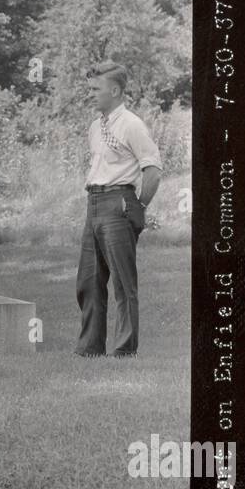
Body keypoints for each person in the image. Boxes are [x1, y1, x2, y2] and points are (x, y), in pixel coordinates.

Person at [75, 61, 162, 358]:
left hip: (119, 202)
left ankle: (124, 350)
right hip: (94, 202)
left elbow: (153, 170)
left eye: (95, 89)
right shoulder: (95, 127)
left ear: (114, 90)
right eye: (90, 88)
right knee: (88, 280)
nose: (90, 94)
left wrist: (138, 206)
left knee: (124, 283)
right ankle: (89, 348)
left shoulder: (132, 125)